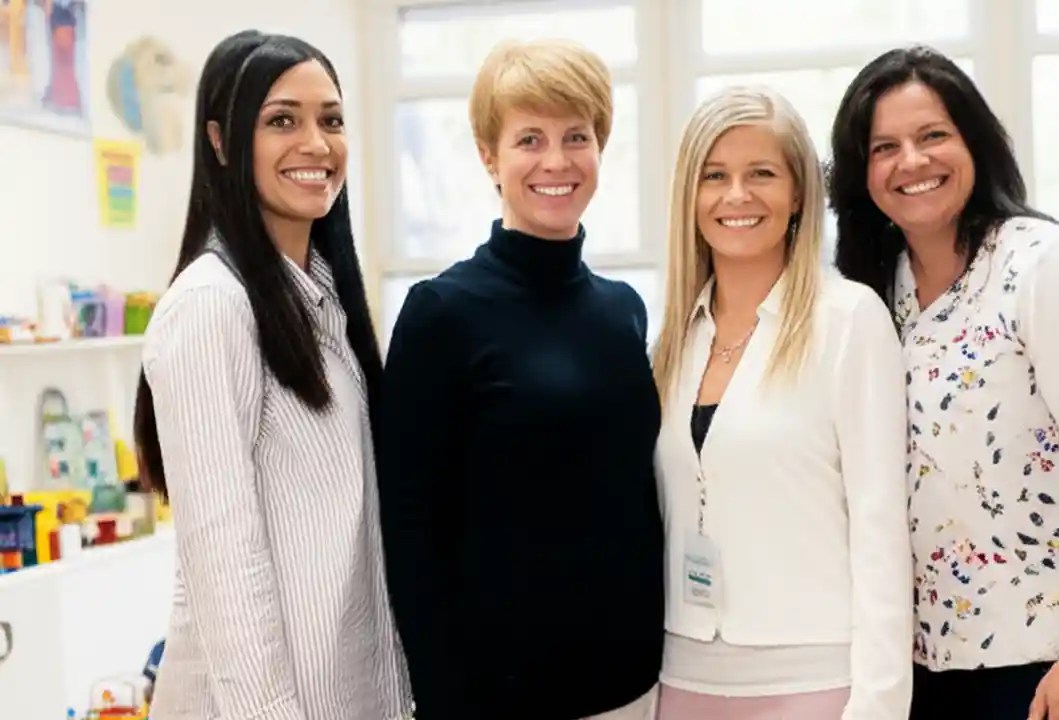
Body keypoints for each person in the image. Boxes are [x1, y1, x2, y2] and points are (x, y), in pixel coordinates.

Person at [827, 45, 1059, 720]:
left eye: (932, 136)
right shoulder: (870, 293)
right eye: (883, 147)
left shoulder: (1047, 267)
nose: (912, 162)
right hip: (924, 664)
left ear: (975, 143)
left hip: (1051, 661)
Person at [378, 39, 664, 719]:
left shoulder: (623, 309)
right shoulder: (440, 313)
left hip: (632, 682)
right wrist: (445, 697)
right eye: (529, 139)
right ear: (489, 156)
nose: (556, 161)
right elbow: (411, 533)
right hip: (499, 695)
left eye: (577, 136)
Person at [133, 30, 411, 720]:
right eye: (281, 120)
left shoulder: (323, 302)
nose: (316, 144)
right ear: (222, 144)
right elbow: (224, 563)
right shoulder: (210, 308)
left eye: (332, 119)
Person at [650, 85, 913, 720]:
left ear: (798, 193)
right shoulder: (673, 340)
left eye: (760, 174)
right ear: (690, 195)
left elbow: (880, 532)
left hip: (814, 683)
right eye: (715, 176)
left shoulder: (849, 319)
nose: (736, 196)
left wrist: (878, 706)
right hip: (681, 679)